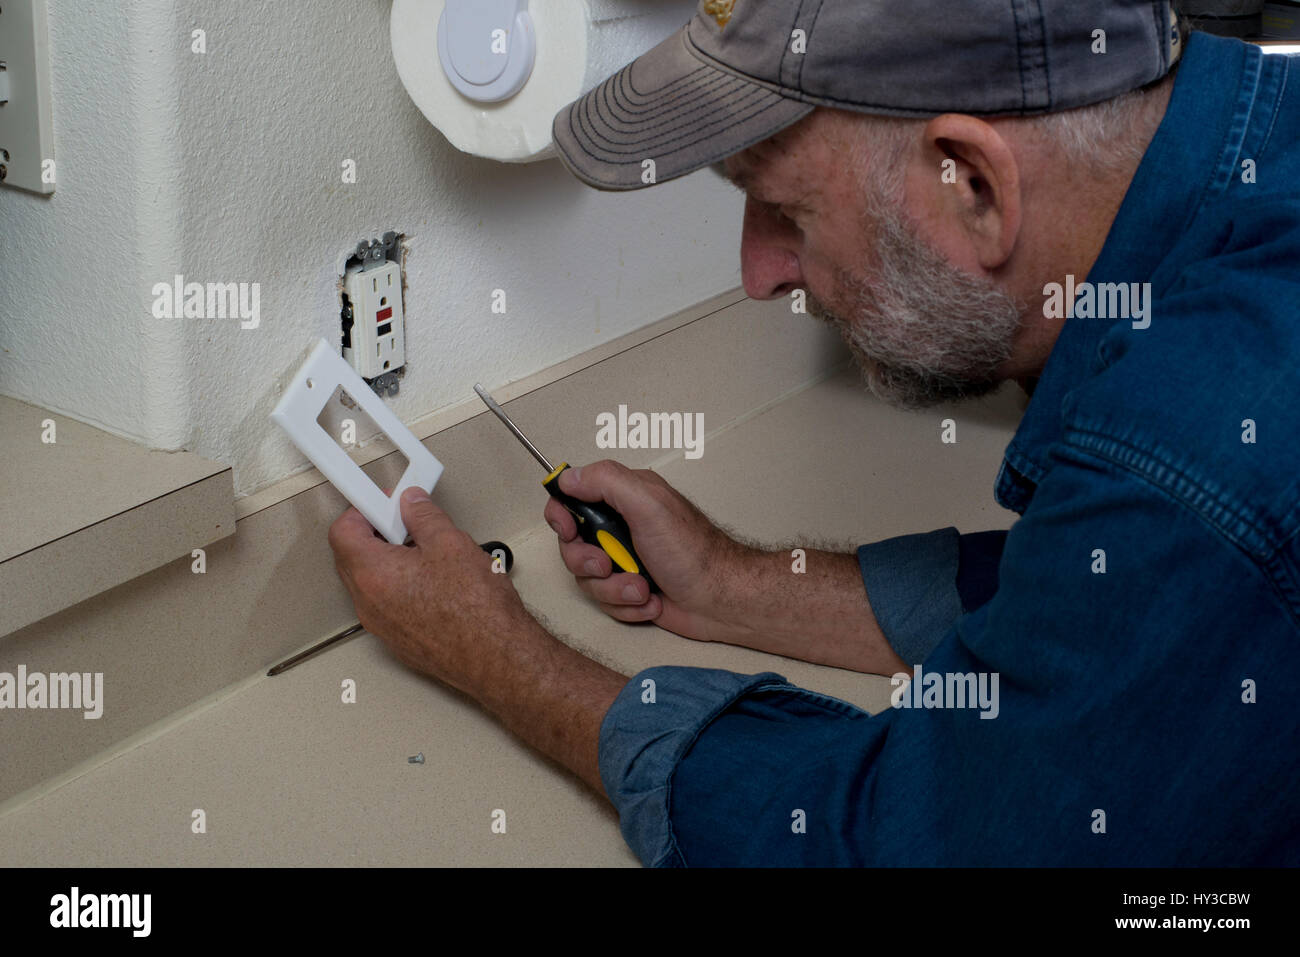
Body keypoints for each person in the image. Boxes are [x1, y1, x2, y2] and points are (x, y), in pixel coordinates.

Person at [329, 0, 1300, 865]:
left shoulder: (1200, 451)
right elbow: (1112, 595)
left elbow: (905, 842)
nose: (759, 273)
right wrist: (730, 586)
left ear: (974, 187)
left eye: (785, 209)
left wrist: (495, 654)